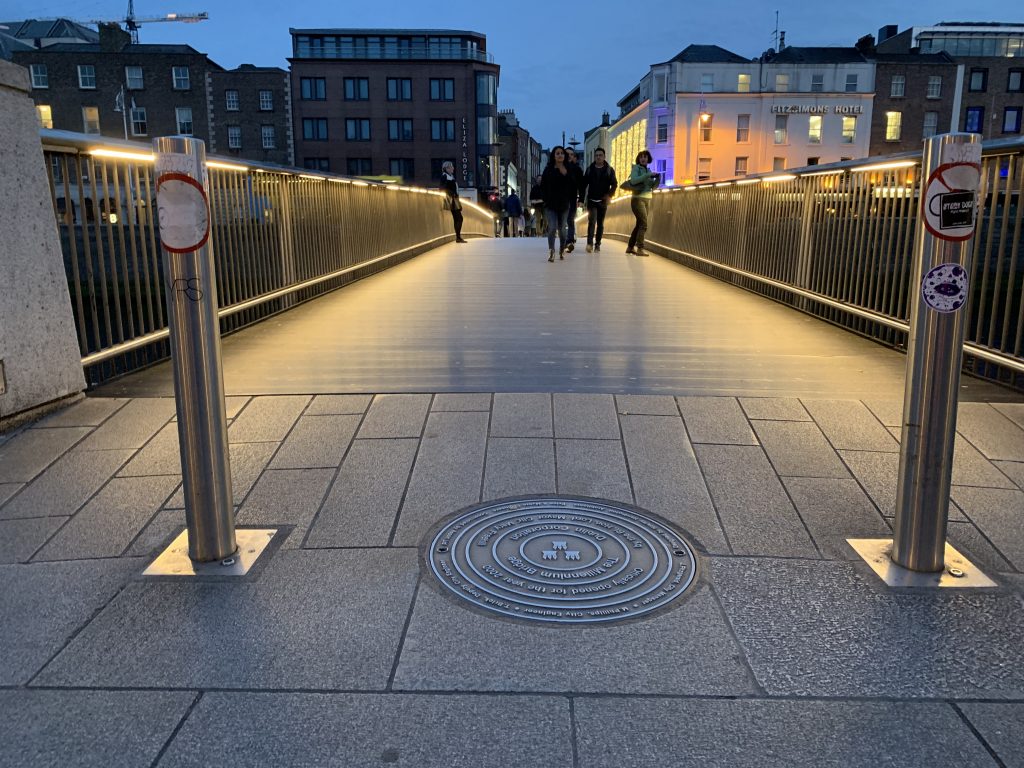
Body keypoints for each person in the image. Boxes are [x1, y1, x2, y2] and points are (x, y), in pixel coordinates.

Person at [540, 146, 577, 262]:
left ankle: (561, 249)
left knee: (562, 229)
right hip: (551, 204)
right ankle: (551, 251)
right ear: (554, 156)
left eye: (562, 153)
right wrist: (545, 199)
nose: (560, 155)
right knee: (552, 227)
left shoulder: (569, 169)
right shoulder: (548, 169)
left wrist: (565, 173)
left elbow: (573, 185)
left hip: (564, 204)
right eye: (557, 153)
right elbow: (543, 186)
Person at [579, 147, 618, 253]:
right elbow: (583, 185)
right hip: (591, 200)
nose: (598, 157)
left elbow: (614, 184)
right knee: (591, 222)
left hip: (603, 201)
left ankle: (598, 244)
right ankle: (589, 244)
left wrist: (609, 195)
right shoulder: (590, 169)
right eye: (596, 155)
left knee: (600, 223)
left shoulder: (609, 170)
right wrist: (581, 199)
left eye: (600, 155)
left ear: (604, 157)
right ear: (594, 157)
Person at [626, 150, 659, 256]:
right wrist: (647, 175)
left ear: (648, 159)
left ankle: (630, 247)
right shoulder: (636, 168)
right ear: (638, 159)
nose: (643, 159)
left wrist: (657, 179)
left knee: (639, 224)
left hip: (646, 199)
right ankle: (640, 248)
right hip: (637, 199)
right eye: (641, 157)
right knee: (644, 224)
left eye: (645, 157)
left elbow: (652, 187)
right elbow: (634, 181)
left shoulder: (648, 170)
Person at [439, 161, 467, 243]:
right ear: (447, 168)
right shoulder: (445, 176)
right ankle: (458, 237)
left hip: (454, 199)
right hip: (451, 199)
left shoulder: (450, 176)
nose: (453, 168)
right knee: (459, 218)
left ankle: (458, 237)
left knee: (457, 218)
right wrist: (452, 194)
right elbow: (442, 188)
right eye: (451, 167)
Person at [564, 147, 585, 252]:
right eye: (567, 154)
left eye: (571, 154)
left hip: (572, 198)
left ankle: (569, 241)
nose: (569, 156)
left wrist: (581, 199)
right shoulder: (557, 168)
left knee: (570, 219)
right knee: (562, 220)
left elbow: (582, 186)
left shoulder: (577, 170)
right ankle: (565, 240)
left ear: (573, 157)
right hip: (560, 199)